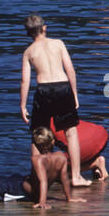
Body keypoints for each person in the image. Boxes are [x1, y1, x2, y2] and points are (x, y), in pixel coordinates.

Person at [21, 13, 90, 186]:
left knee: (37, 134)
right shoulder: (58, 43)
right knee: (71, 133)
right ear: (44, 28)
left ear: (28, 33)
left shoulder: (28, 52)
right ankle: (75, 176)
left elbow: (25, 81)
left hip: (43, 89)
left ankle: (37, 178)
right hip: (62, 87)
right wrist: (74, 94)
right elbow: (70, 70)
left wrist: (22, 106)